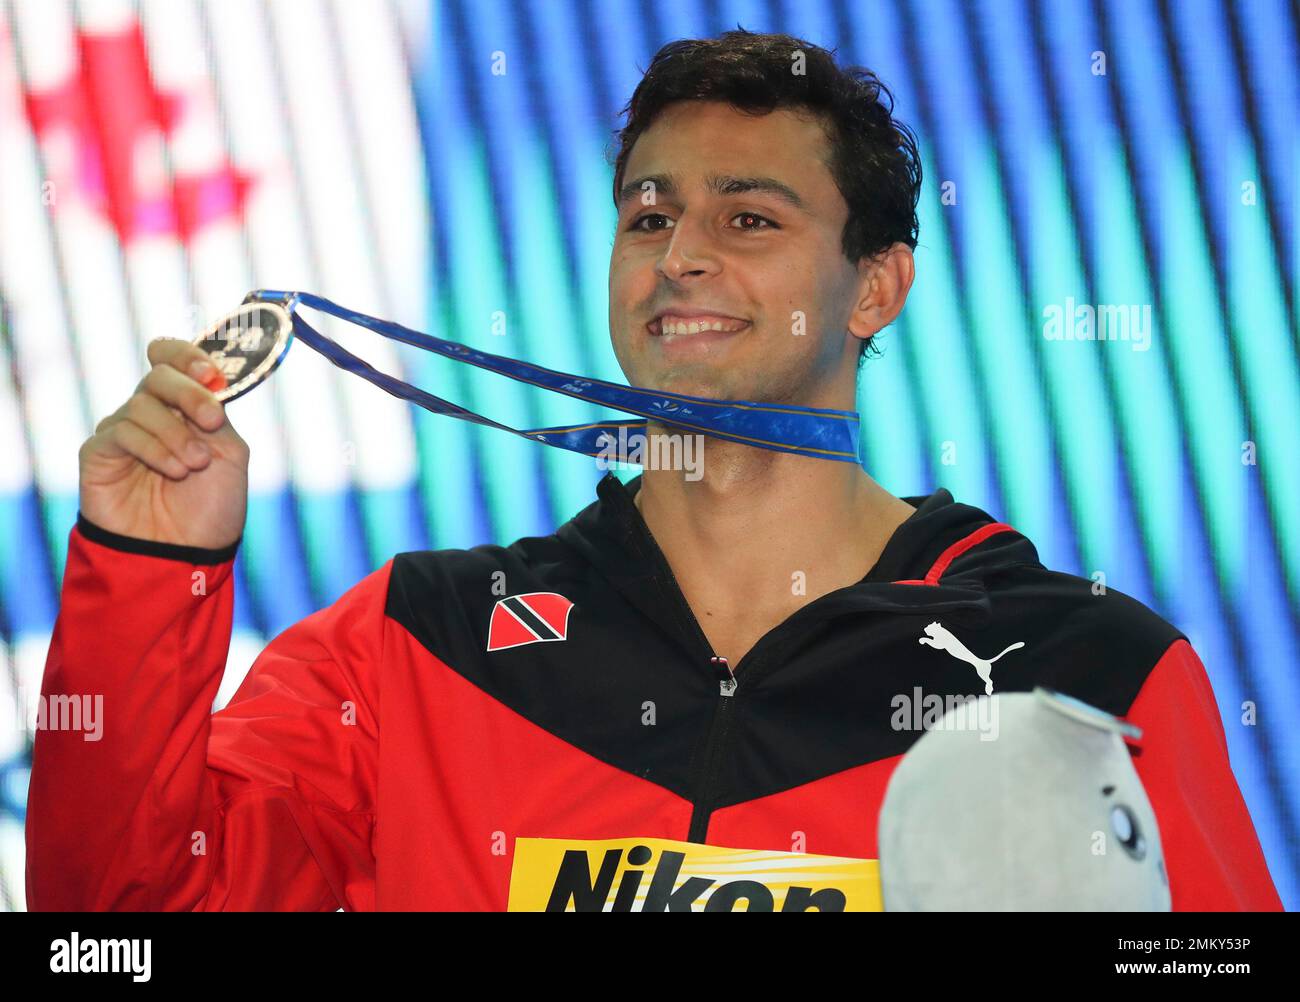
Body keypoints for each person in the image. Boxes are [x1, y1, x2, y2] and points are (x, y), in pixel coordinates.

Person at [26, 30, 1280, 911]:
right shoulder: (413, 647)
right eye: (647, 213)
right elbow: (121, 919)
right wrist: (149, 563)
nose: (679, 254)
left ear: (877, 285)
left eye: (749, 218)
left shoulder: (1088, 676)